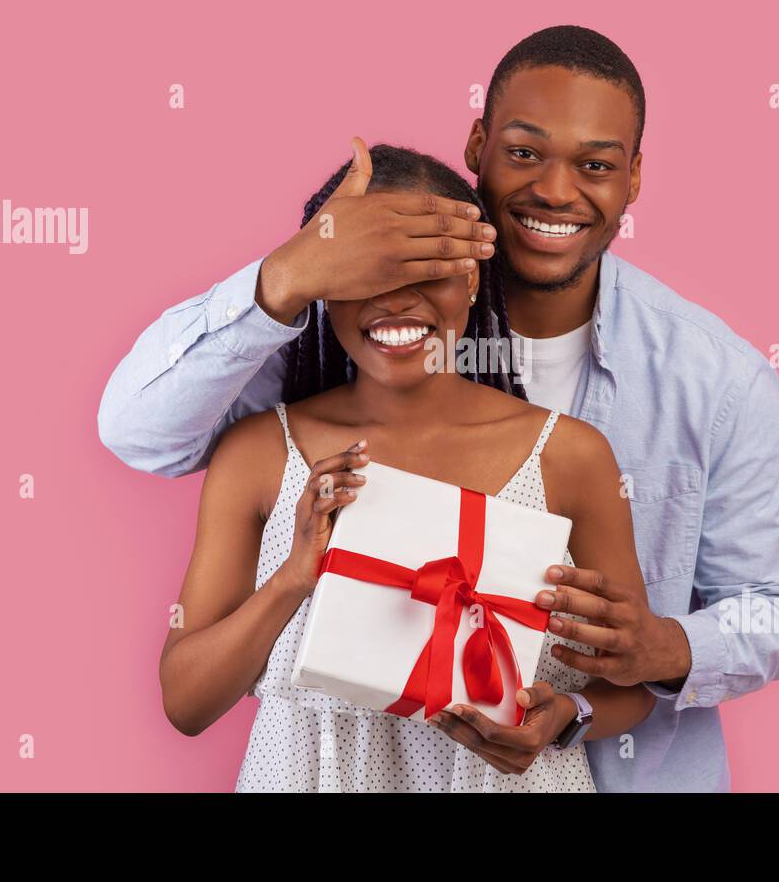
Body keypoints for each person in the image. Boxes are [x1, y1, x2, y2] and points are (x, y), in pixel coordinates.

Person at [100, 25, 779, 792]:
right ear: (479, 146)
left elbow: (766, 616)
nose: (558, 191)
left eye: (596, 164)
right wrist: (288, 274)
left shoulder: (702, 388)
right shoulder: (282, 408)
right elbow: (138, 435)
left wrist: (657, 651)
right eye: (526, 152)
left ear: (633, 178)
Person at [157, 145, 655, 791]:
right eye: (366, 276)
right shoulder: (261, 453)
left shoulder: (570, 457)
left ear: (473, 279)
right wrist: (293, 579)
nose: (396, 304)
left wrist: (565, 717)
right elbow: (186, 703)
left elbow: (633, 679)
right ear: (323, 285)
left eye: (430, 272)